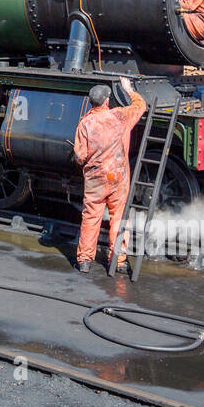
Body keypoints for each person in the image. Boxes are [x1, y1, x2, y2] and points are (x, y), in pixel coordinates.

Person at [72, 77, 146, 273]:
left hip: (95, 180)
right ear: (106, 100)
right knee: (119, 218)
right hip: (117, 177)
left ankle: (85, 261)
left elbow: (79, 157)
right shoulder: (120, 116)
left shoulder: (85, 124)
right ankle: (119, 261)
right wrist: (129, 89)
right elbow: (140, 106)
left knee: (90, 217)